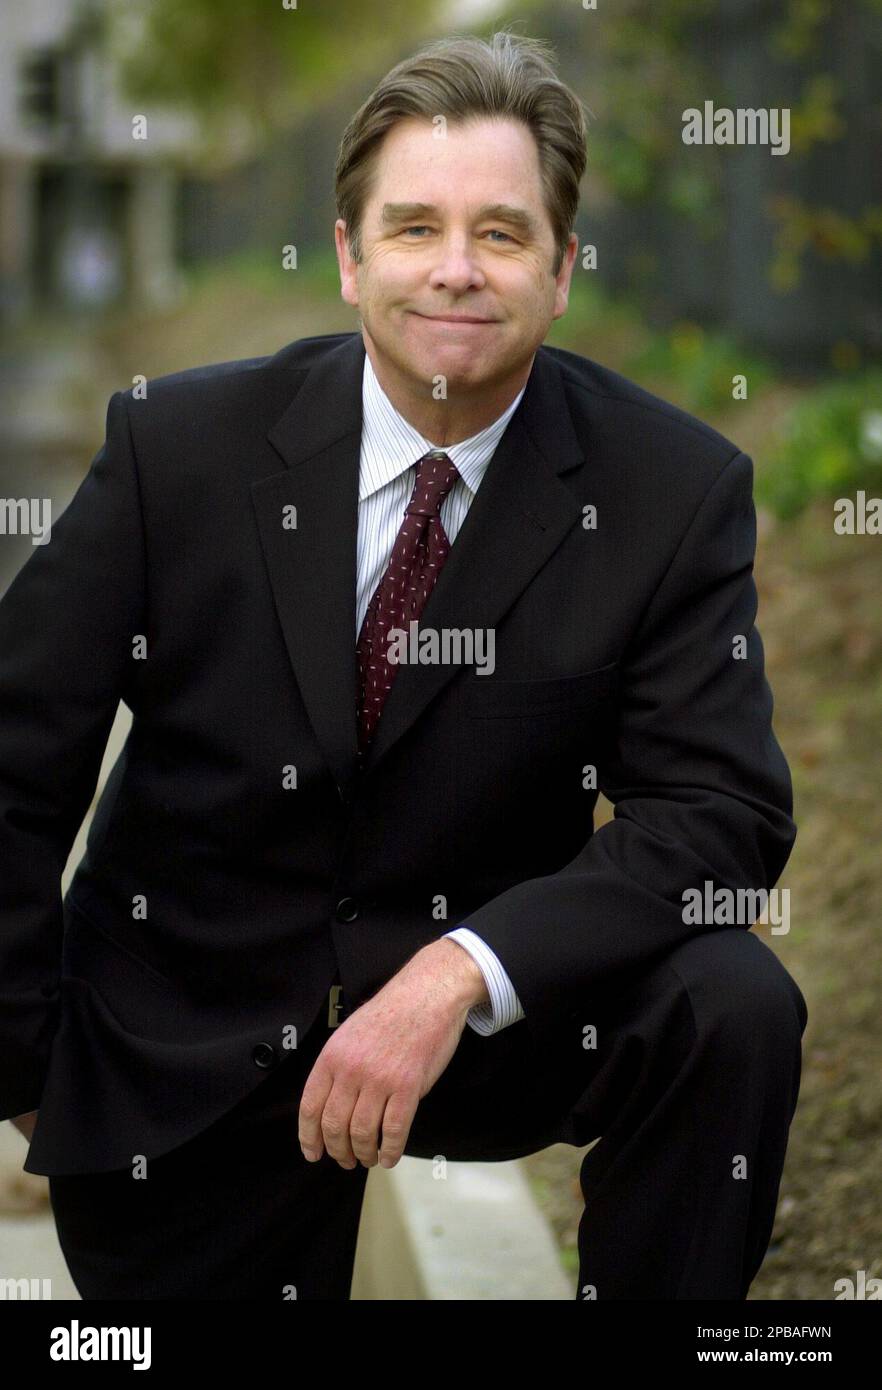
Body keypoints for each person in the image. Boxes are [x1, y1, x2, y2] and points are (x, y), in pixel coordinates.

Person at [0, 31, 806, 1300]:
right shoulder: (178, 451)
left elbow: (722, 814)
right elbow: (15, 763)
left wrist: (457, 974)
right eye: (415, 225)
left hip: (485, 1028)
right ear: (347, 254)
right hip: (189, 1038)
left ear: (560, 273)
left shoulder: (670, 493)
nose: (454, 271)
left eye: (501, 233)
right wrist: (30, 1058)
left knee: (731, 1001)